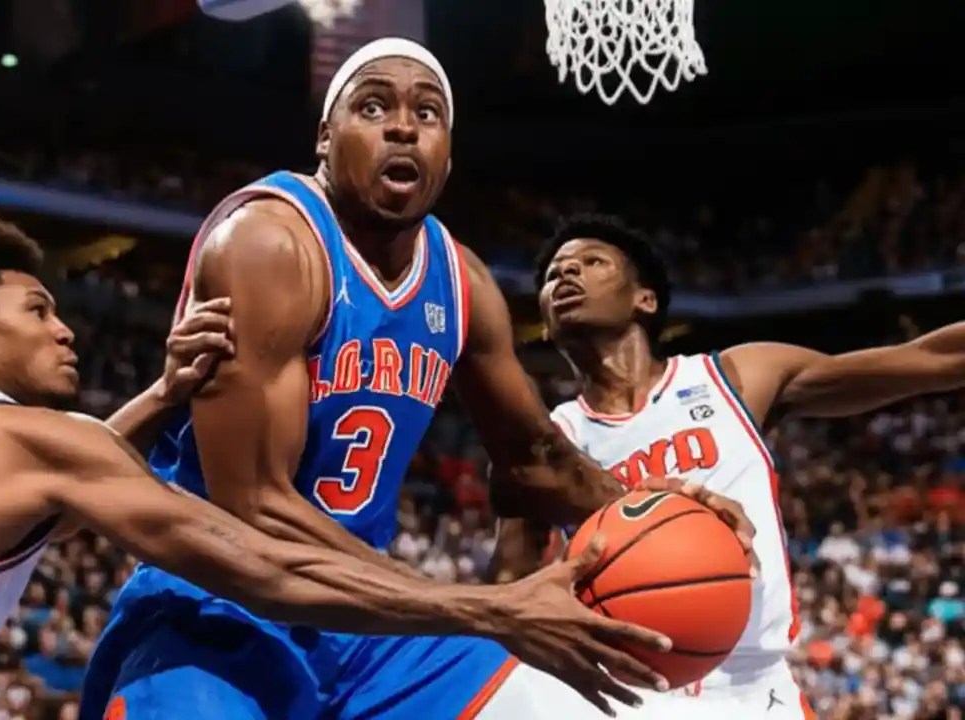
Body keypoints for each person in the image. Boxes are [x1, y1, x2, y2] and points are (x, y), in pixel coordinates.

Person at [0, 212, 658, 720]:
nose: (65, 328)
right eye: (37, 310)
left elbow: (58, 496)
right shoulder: (14, 437)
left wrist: (163, 393)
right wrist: (487, 608)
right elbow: (256, 564)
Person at [80, 38, 752, 720]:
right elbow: (254, 508)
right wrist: (474, 607)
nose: (403, 127)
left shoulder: (463, 282)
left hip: (369, 621)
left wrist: (652, 510)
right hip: (218, 603)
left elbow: (535, 461)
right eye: (374, 107)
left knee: (579, 706)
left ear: (447, 157)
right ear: (325, 137)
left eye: (427, 113)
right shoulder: (269, 242)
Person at [510, 213, 965, 718]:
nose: (566, 274)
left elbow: (927, 359)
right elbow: (508, 597)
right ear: (545, 322)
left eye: (592, 262)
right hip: (625, 690)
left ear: (645, 299)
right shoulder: (545, 441)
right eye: (552, 275)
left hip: (753, 688)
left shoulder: (733, 376)